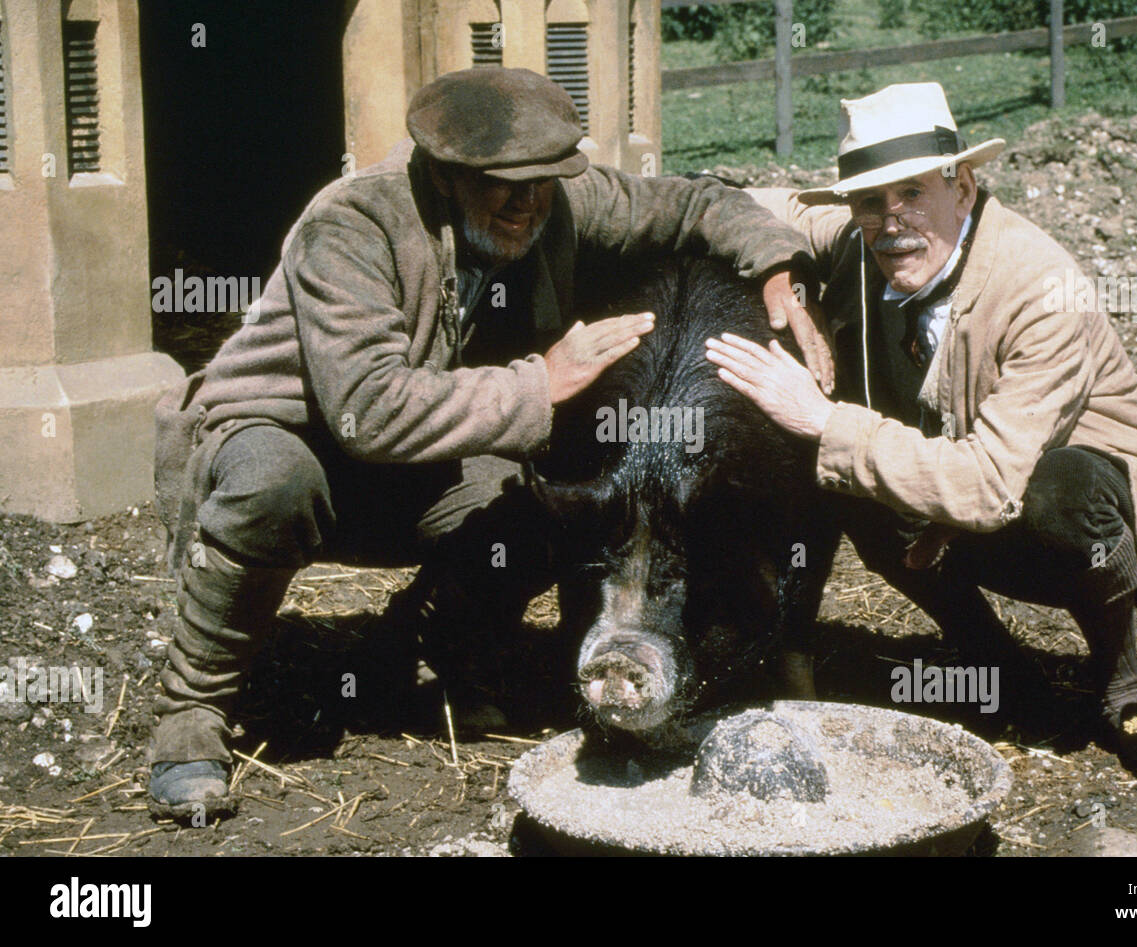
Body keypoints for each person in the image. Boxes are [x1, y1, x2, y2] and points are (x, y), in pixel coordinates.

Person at [148, 67, 832, 820]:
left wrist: (777, 265)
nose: (526, 203)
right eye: (503, 185)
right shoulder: (353, 224)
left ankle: (428, 647)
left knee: (541, 515)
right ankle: (192, 714)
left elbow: (698, 202)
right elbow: (366, 411)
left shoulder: (554, 203)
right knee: (274, 483)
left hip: (419, 458)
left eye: (542, 182)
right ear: (443, 175)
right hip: (287, 433)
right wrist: (544, 381)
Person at [706, 82, 1137, 776]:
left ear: (963, 186)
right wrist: (779, 273)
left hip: (1076, 510)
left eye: (913, 193)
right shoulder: (859, 240)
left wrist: (824, 417)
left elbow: (989, 486)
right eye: (870, 201)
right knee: (846, 472)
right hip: (951, 483)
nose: (892, 223)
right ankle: (994, 658)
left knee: (1058, 487)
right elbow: (725, 202)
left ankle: (1120, 674)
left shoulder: (1043, 288)